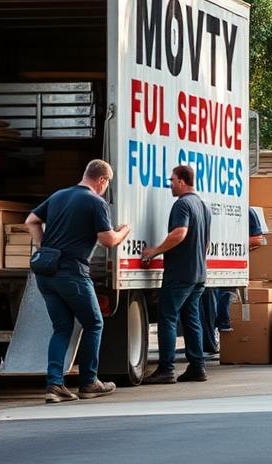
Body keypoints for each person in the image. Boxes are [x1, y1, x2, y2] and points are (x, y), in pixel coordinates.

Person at [25, 159, 131, 404]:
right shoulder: (96, 202)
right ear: (102, 180)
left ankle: (55, 385)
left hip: (46, 273)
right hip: (72, 273)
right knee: (94, 323)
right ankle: (89, 382)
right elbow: (108, 240)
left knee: (61, 328)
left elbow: (31, 220)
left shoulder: (58, 195)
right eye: (107, 183)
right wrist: (124, 231)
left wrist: (43, 246)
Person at [141, 164, 212, 384]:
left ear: (181, 181)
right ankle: (197, 367)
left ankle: (166, 369)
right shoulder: (203, 205)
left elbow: (180, 233)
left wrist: (154, 251)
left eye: (172, 180)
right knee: (191, 319)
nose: (170, 185)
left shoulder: (182, 204)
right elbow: (206, 242)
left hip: (180, 273)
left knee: (168, 318)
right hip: (198, 273)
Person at [202, 206, 266, 354]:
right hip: (210, 265)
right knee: (207, 301)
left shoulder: (246, 210)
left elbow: (258, 239)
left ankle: (221, 332)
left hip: (231, 266)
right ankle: (210, 341)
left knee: (224, 298)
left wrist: (232, 244)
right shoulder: (209, 208)